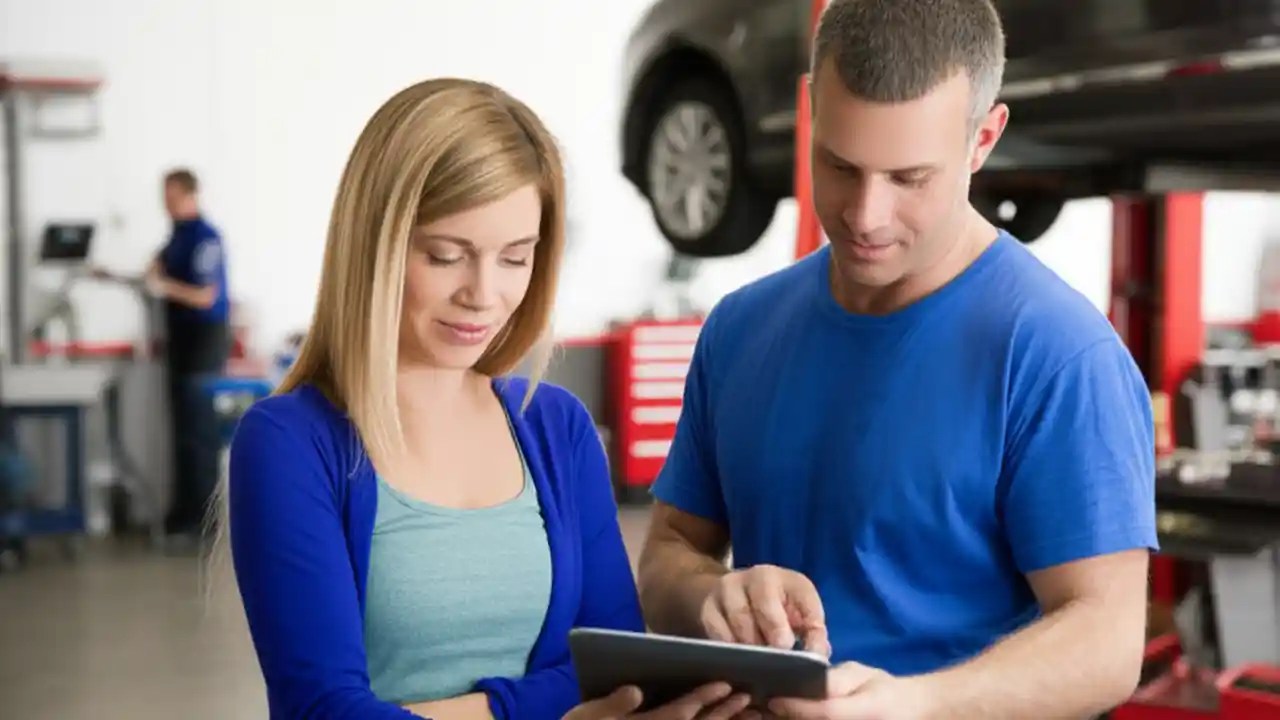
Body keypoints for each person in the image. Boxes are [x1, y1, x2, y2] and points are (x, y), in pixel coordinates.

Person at [637, 1, 1157, 718]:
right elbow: (666, 552)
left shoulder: (1059, 355)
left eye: (909, 178)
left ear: (983, 139)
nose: (865, 214)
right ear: (813, 107)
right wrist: (711, 596)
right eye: (841, 165)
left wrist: (918, 704)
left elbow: (1106, 641)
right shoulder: (739, 330)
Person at [219, 78, 751, 720]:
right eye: (447, 256)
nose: (484, 293)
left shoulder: (557, 429)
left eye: (515, 258)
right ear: (376, 247)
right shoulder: (289, 442)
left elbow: (616, 669)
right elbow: (325, 709)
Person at [149, 168, 231, 539]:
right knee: (181, 432)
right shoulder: (175, 238)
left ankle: (204, 520)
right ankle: (184, 514)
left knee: (199, 433)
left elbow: (204, 295)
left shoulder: (205, 238)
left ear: (188, 194)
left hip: (203, 340)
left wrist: (162, 285)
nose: (165, 204)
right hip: (179, 341)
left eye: (171, 196)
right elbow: (156, 271)